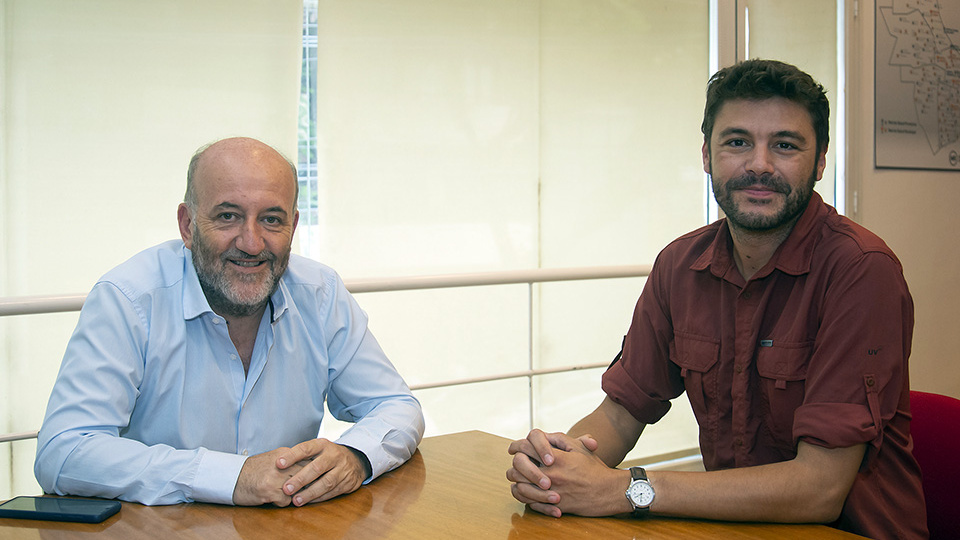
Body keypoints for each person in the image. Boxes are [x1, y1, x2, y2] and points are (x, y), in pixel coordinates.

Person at [506, 60, 927, 540]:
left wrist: (627, 490)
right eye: (737, 141)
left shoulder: (860, 269)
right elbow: (622, 411)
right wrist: (554, 469)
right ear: (707, 154)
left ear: (821, 160)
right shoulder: (679, 264)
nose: (759, 164)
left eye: (785, 145)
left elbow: (820, 488)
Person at [35, 137, 425, 507]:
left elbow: (395, 405)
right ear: (187, 226)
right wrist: (231, 476)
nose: (252, 243)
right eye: (228, 216)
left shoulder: (320, 293)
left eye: (272, 220)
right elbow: (65, 450)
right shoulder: (129, 299)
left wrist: (354, 456)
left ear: (293, 225)